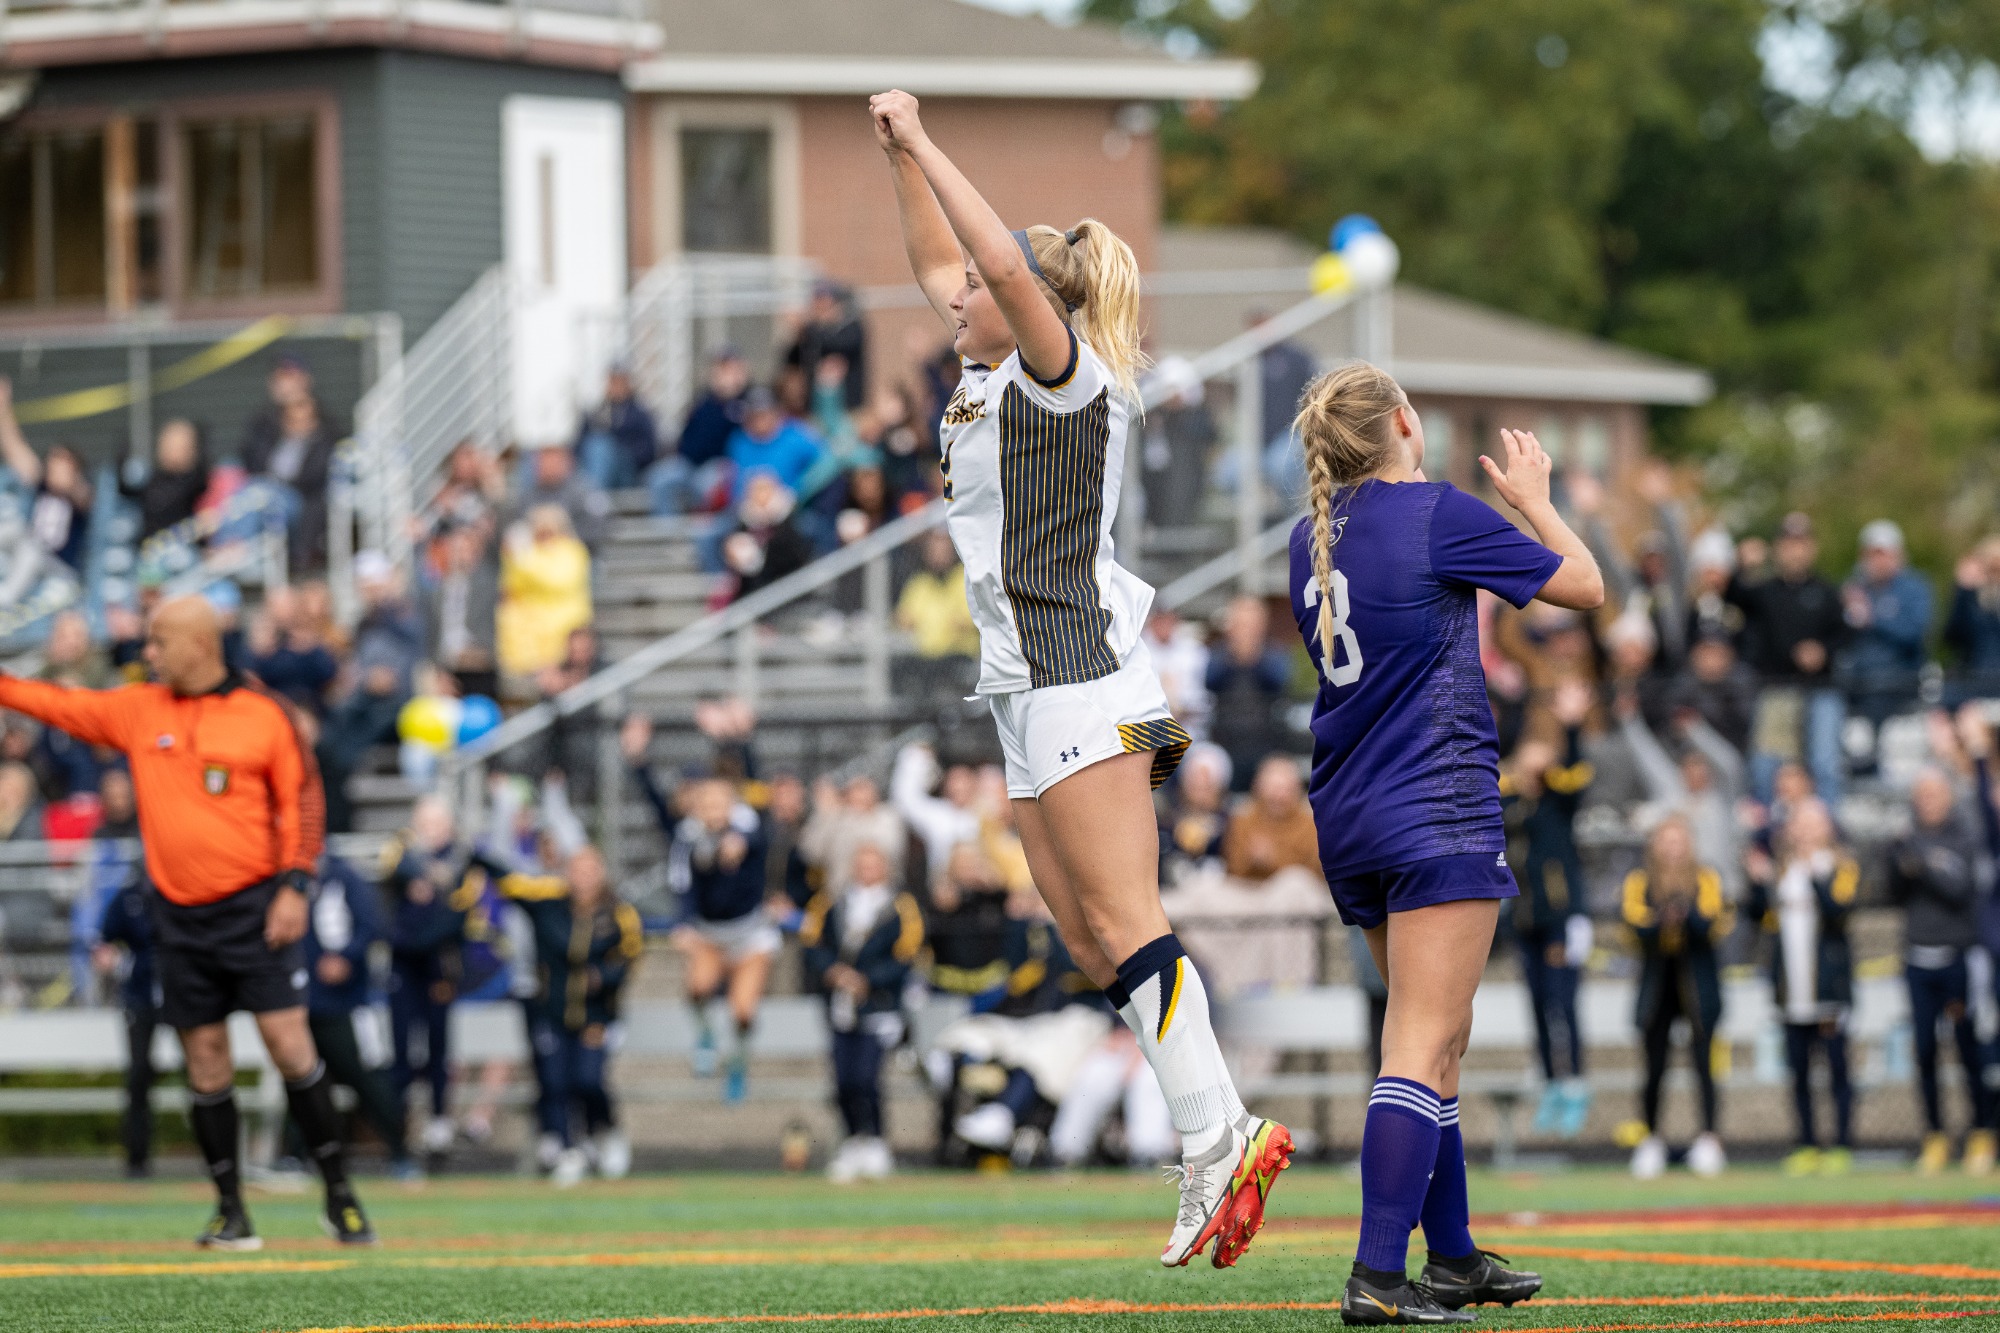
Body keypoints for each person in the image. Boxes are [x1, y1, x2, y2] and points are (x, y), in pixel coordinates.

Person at [875, 86, 1287, 1268]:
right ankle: (1216, 1131)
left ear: (1029, 306)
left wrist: (926, 138)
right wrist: (893, 159)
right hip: (1021, 689)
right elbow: (939, 258)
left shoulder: (1066, 375)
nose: (954, 292)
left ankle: (1217, 1135)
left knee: (1124, 918)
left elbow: (995, 263)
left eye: (978, 289)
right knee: (1088, 938)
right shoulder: (987, 378)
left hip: (1081, 676)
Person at [1283, 357, 1603, 1319]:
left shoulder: (1313, 533)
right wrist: (1537, 502)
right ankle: (1380, 1272)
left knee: (1436, 1039)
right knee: (1419, 1042)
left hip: (1352, 808)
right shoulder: (1436, 512)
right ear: (1405, 424)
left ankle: (1454, 1257)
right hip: (1435, 798)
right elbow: (1584, 587)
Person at [0, 597, 372, 1247]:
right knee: (204, 1058)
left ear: (199, 645)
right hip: (179, 916)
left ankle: (339, 1192)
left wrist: (297, 884)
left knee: (290, 1045)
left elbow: (303, 803)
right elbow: (64, 705)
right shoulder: (141, 708)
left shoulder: (264, 713)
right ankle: (232, 1211)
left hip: (256, 910)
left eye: (158, 641)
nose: (148, 652)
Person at [634, 723, 778, 1105]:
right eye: (707, 804)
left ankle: (738, 1063)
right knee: (698, 989)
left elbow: (757, 819)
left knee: (743, 1012)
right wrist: (684, 923)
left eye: (721, 804)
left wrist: (741, 738)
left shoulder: (749, 831)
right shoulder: (688, 837)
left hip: (748, 933)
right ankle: (706, 1036)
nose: (714, 811)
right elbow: (683, 881)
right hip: (709, 931)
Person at [492, 845, 644, 1186]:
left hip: (595, 1014)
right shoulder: (548, 906)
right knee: (554, 1081)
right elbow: (509, 883)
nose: (584, 877)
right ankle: (567, 1149)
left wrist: (603, 979)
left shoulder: (617, 914)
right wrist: (478, 853)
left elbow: (629, 958)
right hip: (551, 1011)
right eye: (578, 869)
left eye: (591, 870)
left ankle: (606, 1131)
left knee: (588, 1079)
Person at [1887, 766, 1994, 1174]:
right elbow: (1894, 892)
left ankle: (1981, 1131)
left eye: (1934, 793)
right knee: (1925, 1051)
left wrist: (1923, 864)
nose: (1927, 801)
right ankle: (1934, 1133)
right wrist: (1901, 862)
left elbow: (1958, 890)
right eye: (1921, 794)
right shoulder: (1907, 837)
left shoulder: (1963, 835)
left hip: (1957, 957)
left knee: (1968, 1048)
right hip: (1917, 957)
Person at [1500, 682, 1594, 1141]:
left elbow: (1577, 772)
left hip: (1561, 916)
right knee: (1537, 1003)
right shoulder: (1511, 803)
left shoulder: (1559, 799)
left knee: (1563, 1001)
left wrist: (1571, 726)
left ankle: (1574, 1081)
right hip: (1526, 919)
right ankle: (1550, 1081)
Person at [1748, 797, 1860, 1176]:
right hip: (1790, 990)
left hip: (1828, 990)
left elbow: (1838, 912)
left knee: (1837, 1069)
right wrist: (1756, 883)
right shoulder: (1781, 869)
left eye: (1816, 822)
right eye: (1801, 822)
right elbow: (1760, 918)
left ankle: (1842, 1143)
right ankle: (1806, 1143)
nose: (1808, 830)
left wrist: (1815, 873)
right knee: (1798, 1072)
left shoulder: (1841, 866)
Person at [801, 841, 924, 1182]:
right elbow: (812, 941)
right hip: (841, 1003)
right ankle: (853, 1140)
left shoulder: (900, 905)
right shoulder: (833, 902)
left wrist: (868, 979)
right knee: (843, 1078)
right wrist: (834, 972)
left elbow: (908, 952)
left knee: (867, 1077)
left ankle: (876, 1140)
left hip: (879, 1004)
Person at [297, 850, 419, 1181]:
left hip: (345, 1004)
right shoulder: (286, 878)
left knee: (368, 1078)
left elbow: (371, 924)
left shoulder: (344, 876)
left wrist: (346, 957)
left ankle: (400, 1152)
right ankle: (296, 1156)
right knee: (301, 1080)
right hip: (301, 1002)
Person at [1623, 815, 1729, 1181]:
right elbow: (1634, 928)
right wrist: (1661, 920)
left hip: (1698, 983)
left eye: (1678, 841)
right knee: (1653, 1067)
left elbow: (1711, 925)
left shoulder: (1706, 878)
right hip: (1657, 983)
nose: (1672, 848)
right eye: (1665, 841)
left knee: (1705, 1065)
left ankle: (1709, 1139)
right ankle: (1651, 1139)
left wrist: (1684, 916)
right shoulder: (1640, 881)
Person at [1728, 511, 1847, 801]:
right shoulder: (1765, 591)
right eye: (1788, 543)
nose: (1795, 550)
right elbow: (1732, 597)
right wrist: (1741, 565)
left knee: (1824, 764)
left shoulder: (1827, 591)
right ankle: (1769, 836)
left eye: (1801, 543)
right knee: (1766, 769)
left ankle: (1827, 831)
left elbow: (1845, 633)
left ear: (1811, 548)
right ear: (1778, 548)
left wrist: (1822, 650)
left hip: (1820, 689)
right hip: (1776, 689)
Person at [90, 771, 158, 1178]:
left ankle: (212, 1154)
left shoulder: (181, 891)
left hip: (183, 988)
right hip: (141, 992)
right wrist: (107, 953)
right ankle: (137, 1158)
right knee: (137, 1076)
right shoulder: (131, 895)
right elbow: (105, 936)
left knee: (203, 1069)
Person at [1841, 519, 1933, 739]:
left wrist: (1873, 618)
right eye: (1872, 554)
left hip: (1898, 683)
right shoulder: (1854, 588)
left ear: (1898, 555)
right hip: (1856, 685)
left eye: (1883, 554)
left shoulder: (1914, 588)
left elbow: (1914, 633)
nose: (1878, 561)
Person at [0, 377, 93, 571]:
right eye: (52, 460)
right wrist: (3, 407)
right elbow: (14, 447)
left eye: (61, 462)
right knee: (14, 531)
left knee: (32, 550)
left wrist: (70, 485)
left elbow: (84, 496)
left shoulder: (81, 497)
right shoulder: (42, 485)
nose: (53, 467)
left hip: (59, 570)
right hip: (30, 556)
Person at [497, 506, 593, 682]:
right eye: (539, 532)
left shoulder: (573, 551)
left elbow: (557, 580)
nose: (544, 538)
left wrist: (521, 558)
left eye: (548, 532)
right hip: (530, 634)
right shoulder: (530, 552)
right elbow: (511, 587)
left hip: (565, 631)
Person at [652, 347, 750, 516]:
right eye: (721, 369)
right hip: (690, 462)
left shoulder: (747, 402)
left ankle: (699, 536)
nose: (725, 375)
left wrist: (730, 397)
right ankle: (668, 536)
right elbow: (690, 436)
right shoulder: (704, 401)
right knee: (659, 479)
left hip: (721, 464)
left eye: (730, 369)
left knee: (705, 484)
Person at [122, 419, 210, 544]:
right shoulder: (150, 480)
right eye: (168, 443)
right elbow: (125, 488)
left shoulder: (196, 482)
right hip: (150, 553)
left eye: (178, 445)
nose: (172, 450)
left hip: (184, 552)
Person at [573, 364, 657, 492]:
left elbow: (647, 452)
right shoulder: (596, 412)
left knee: (601, 447)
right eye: (612, 381)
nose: (615, 386)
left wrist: (617, 448)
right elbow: (579, 446)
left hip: (628, 472)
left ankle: (594, 497)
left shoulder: (639, 415)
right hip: (594, 465)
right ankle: (591, 494)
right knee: (597, 445)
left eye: (619, 381)